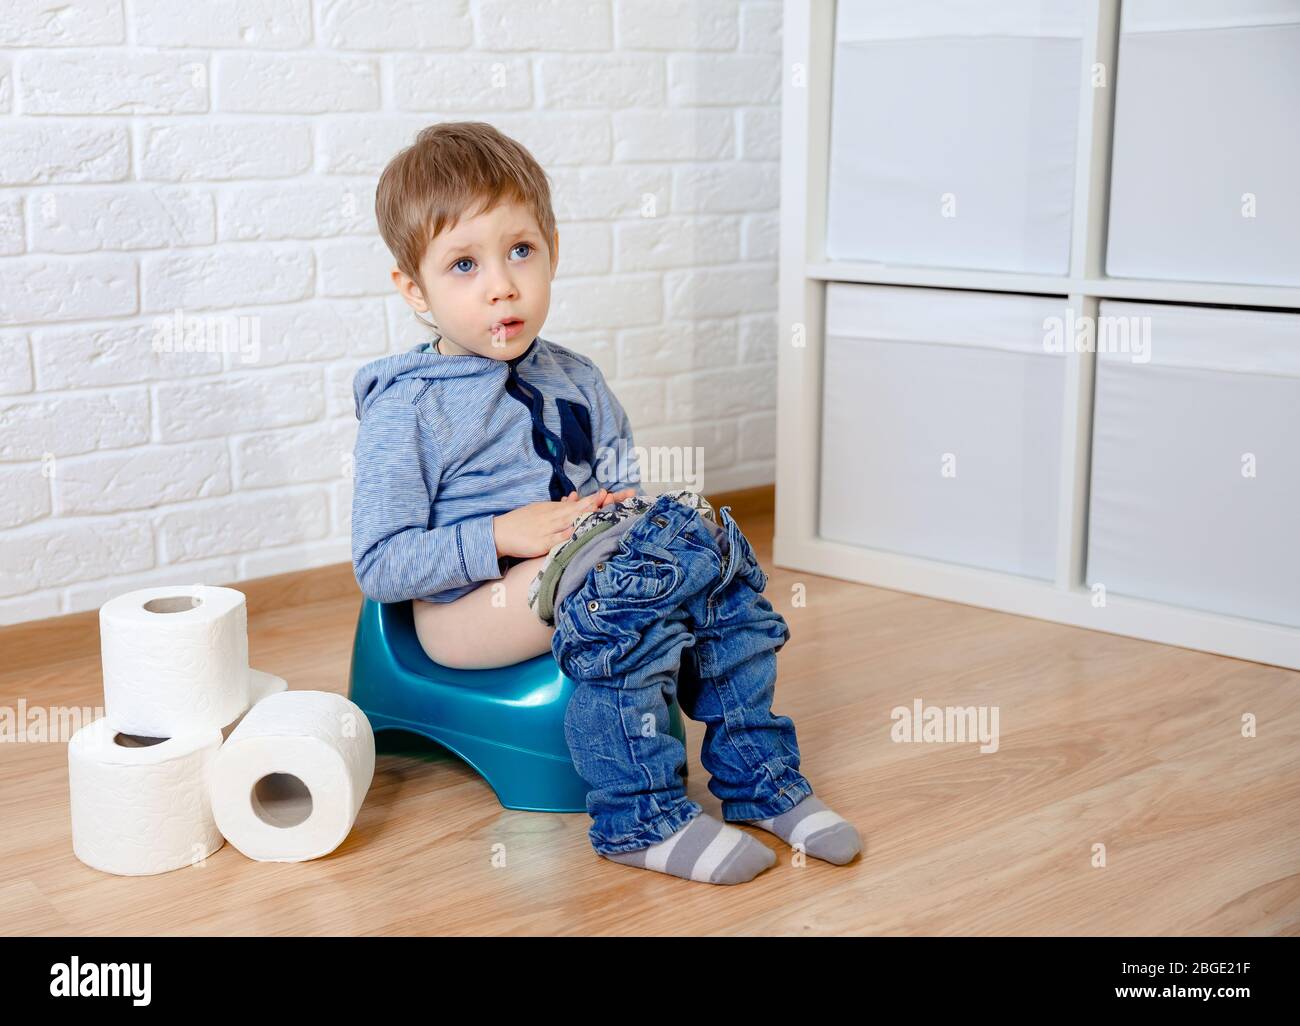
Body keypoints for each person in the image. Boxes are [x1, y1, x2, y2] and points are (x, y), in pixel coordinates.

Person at [351, 122, 861, 884]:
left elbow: (622, 490)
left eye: (520, 251)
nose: (502, 285)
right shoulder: (409, 410)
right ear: (413, 288)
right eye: (464, 264)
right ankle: (640, 817)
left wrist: (643, 525)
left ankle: (760, 779)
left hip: (580, 568)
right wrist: (503, 533)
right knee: (624, 583)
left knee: (713, 558)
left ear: (553, 245)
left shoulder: (577, 377)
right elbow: (380, 563)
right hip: (468, 611)